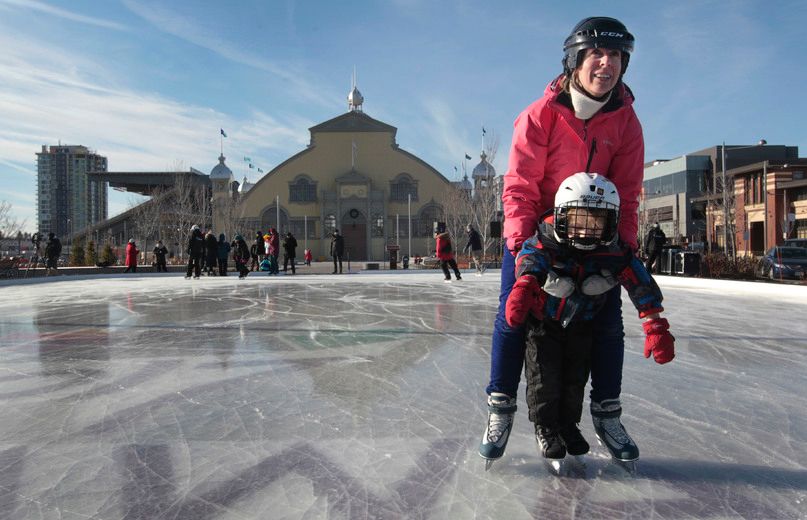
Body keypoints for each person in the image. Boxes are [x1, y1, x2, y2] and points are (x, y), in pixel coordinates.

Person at [480, 16, 647, 466]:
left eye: (615, 56)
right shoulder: (541, 115)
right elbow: (519, 186)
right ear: (575, 60)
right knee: (512, 316)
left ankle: (608, 414)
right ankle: (500, 407)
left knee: (608, 322)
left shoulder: (626, 121)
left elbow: (628, 192)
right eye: (596, 54)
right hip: (538, 236)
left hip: (596, 235)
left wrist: (623, 249)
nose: (606, 64)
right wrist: (519, 248)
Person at [502, 173, 675, 462]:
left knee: (575, 379)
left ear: (610, 222)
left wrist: (655, 323)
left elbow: (638, 279)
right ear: (561, 215)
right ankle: (545, 427)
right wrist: (525, 284)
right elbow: (530, 257)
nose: (585, 231)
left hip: (583, 323)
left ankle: (569, 425)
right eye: (577, 220)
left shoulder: (613, 250)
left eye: (595, 222)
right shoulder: (547, 239)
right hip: (545, 323)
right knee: (544, 378)